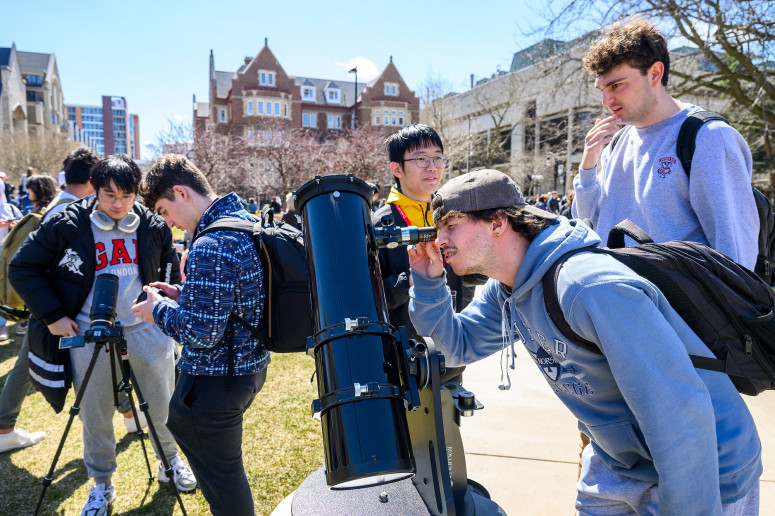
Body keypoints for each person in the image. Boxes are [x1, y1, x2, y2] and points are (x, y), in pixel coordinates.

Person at [408, 169, 761, 514]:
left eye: (451, 227)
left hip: (701, 473)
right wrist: (427, 282)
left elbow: (678, 410)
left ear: (498, 222)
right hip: (616, 465)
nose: (439, 241)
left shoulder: (588, 287)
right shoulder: (508, 287)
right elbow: (455, 346)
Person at [9, 155, 196, 515]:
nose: (117, 204)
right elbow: (23, 266)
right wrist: (53, 315)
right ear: (95, 190)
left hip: (146, 327)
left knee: (161, 401)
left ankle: (169, 462)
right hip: (89, 331)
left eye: (126, 196)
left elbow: (171, 263)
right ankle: (102, 484)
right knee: (94, 412)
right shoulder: (68, 222)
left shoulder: (152, 223)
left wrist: (166, 299)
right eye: (109, 195)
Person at [133, 154, 269, 516]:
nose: (171, 224)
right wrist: (183, 297)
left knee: (224, 483)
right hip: (249, 369)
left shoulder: (210, 243)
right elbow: (237, 300)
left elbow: (202, 333)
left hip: (214, 384)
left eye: (164, 211)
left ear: (180, 192)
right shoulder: (245, 223)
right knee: (225, 473)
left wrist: (156, 310)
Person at [572, 15, 758, 270]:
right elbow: (587, 226)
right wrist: (587, 169)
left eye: (617, 85)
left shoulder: (709, 138)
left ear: (655, 74)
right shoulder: (616, 143)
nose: (606, 100)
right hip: (612, 303)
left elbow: (736, 258)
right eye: (602, 89)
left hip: (678, 309)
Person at [0, 149, 100, 455]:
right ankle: (3, 426)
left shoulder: (58, 204)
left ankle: (4, 425)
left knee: (30, 360)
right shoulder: (71, 212)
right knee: (34, 360)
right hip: (57, 306)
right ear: (92, 178)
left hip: (50, 303)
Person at [373, 124, 475, 383]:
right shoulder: (380, 225)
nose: (432, 166)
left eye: (437, 157)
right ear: (396, 168)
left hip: (450, 360)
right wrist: (411, 280)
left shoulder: (453, 217)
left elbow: (467, 280)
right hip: (401, 365)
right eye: (420, 158)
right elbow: (367, 298)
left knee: (450, 424)